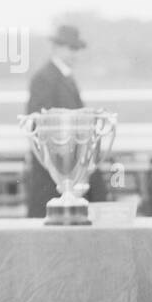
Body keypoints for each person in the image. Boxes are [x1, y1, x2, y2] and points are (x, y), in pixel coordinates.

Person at [24, 25, 108, 217]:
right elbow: (38, 124)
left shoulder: (65, 77)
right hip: (55, 170)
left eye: (77, 49)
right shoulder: (44, 78)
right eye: (70, 48)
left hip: (71, 164)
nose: (74, 54)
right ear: (55, 48)